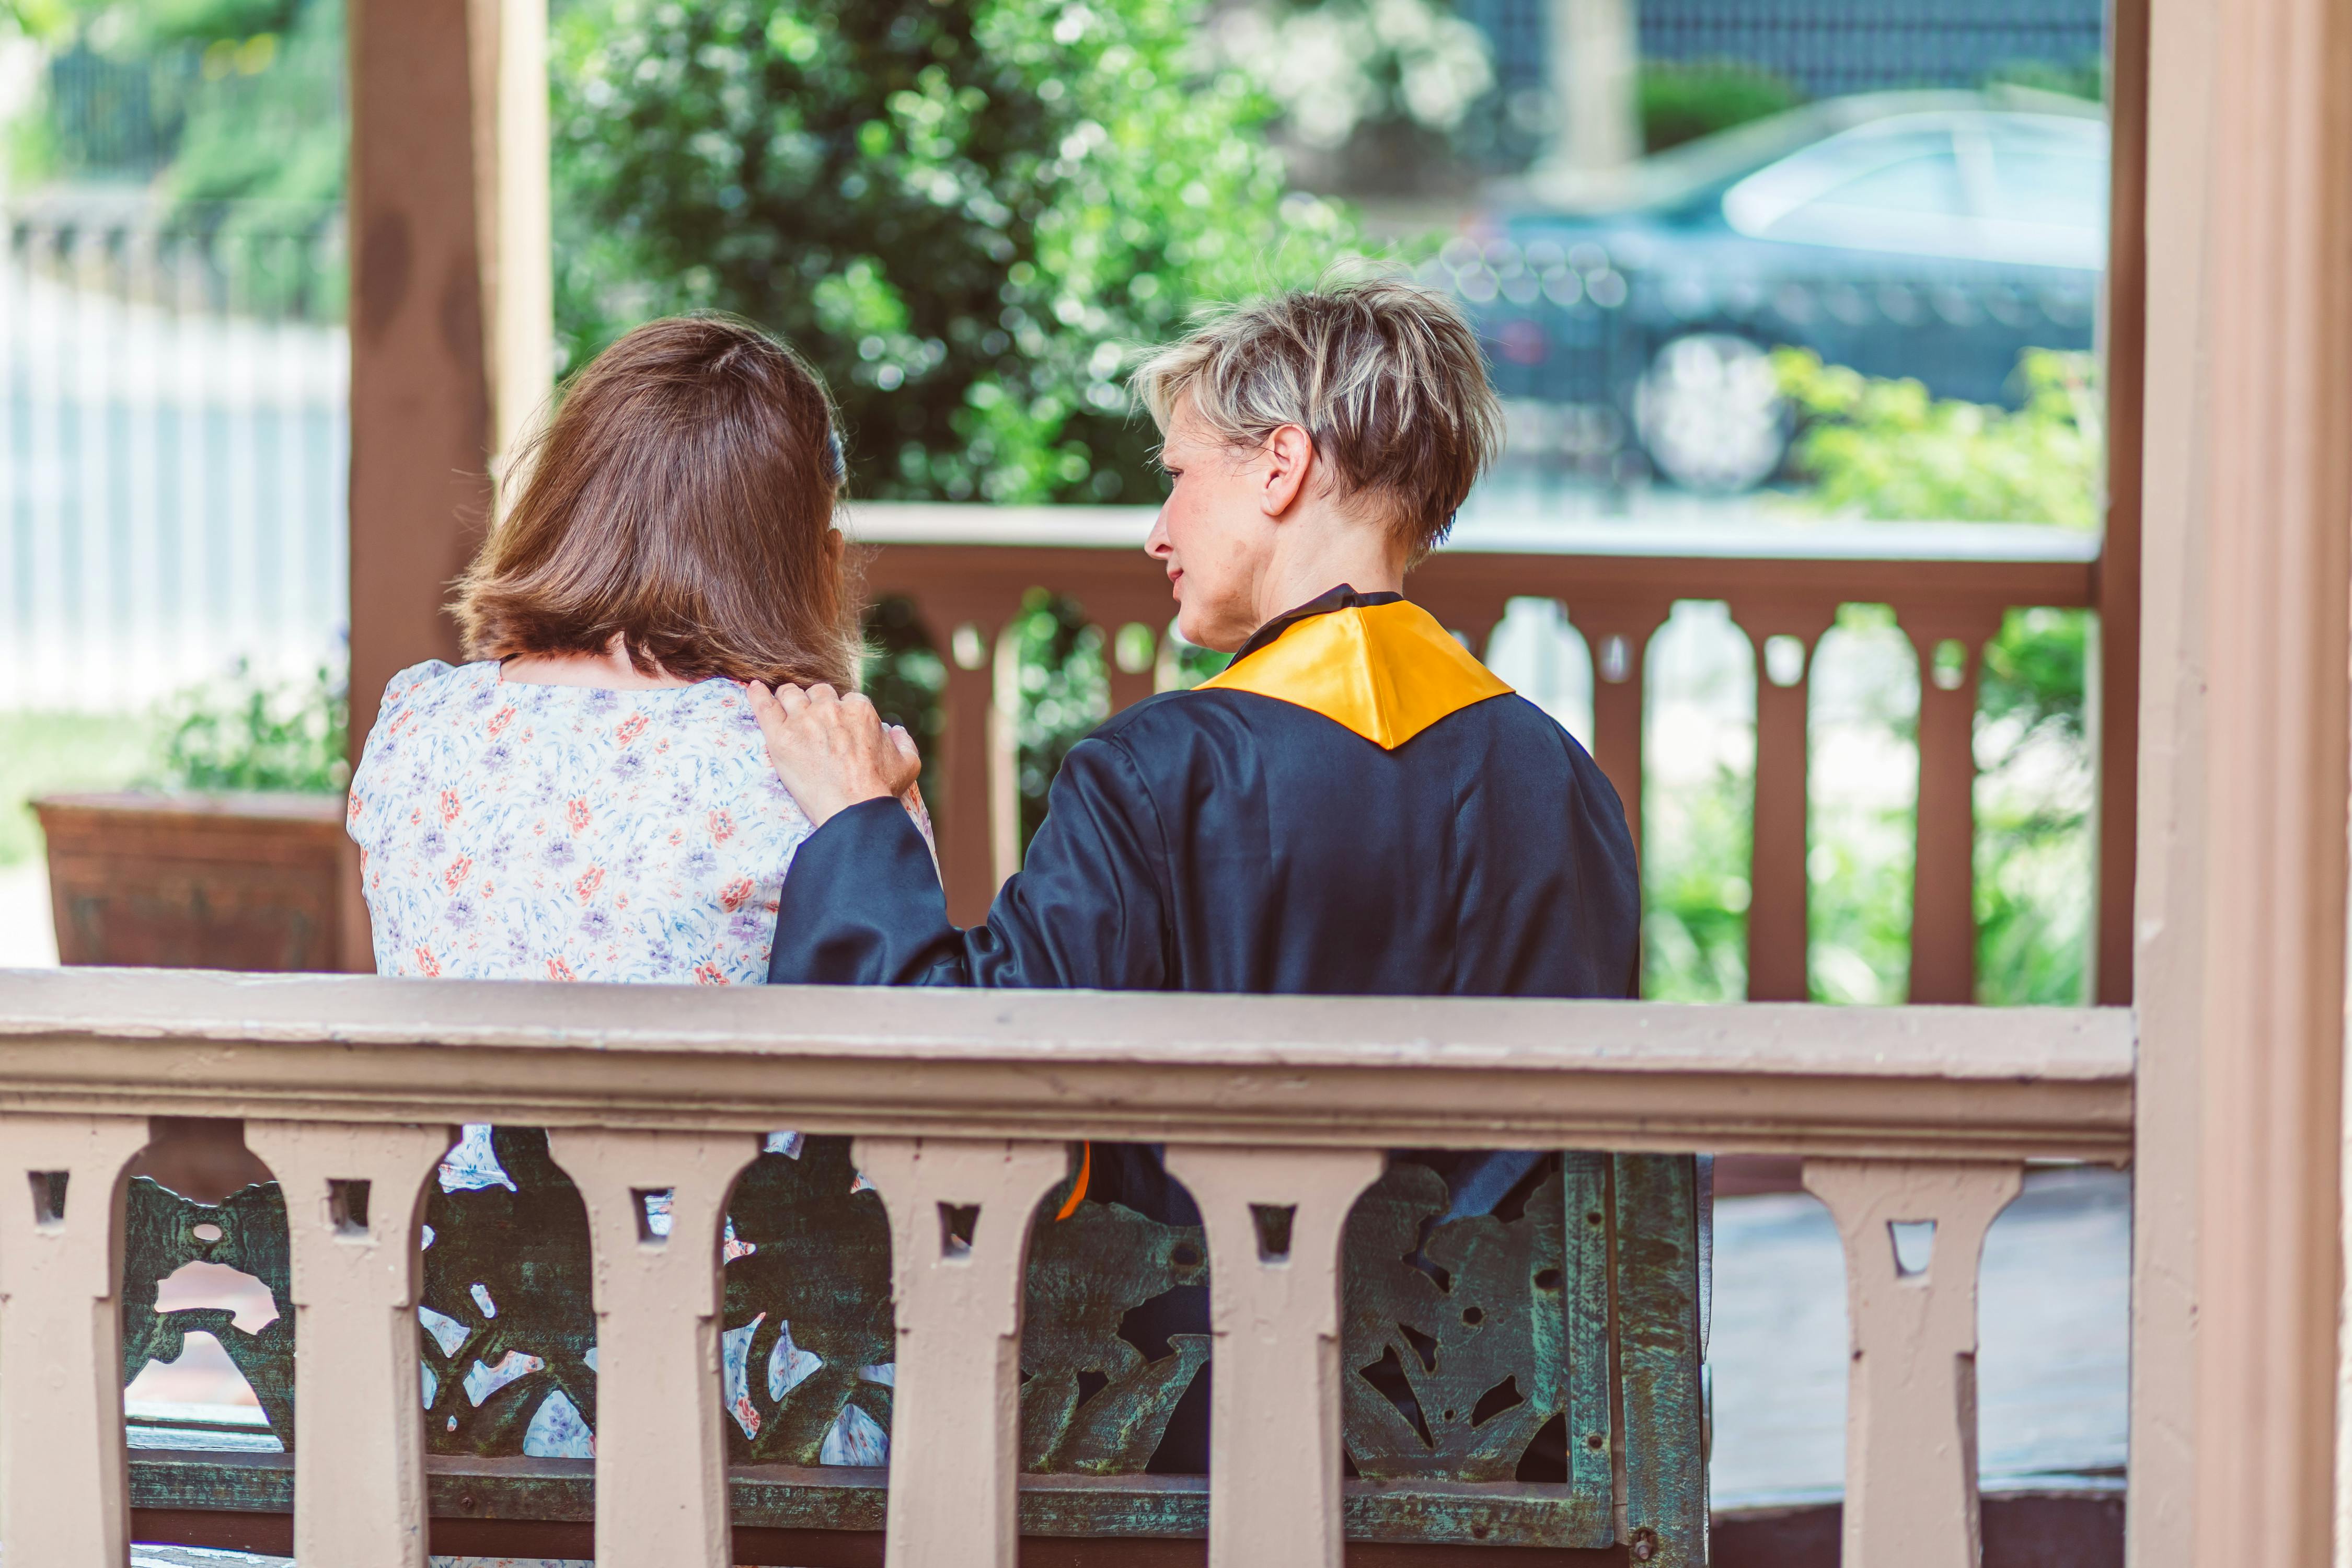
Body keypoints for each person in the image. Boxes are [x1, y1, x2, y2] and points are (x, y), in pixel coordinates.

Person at [754, 278, 1639, 1004]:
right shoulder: (1562, 781)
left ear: (1281, 467)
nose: (1158, 534)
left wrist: (857, 823)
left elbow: (959, 1070)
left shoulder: (1158, 776)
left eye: (1178, 476)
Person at [347, 313, 924, 984]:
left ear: (562, 508)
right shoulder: (830, 779)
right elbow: (901, 1036)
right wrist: (871, 814)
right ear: (821, 561)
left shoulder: (414, 726)